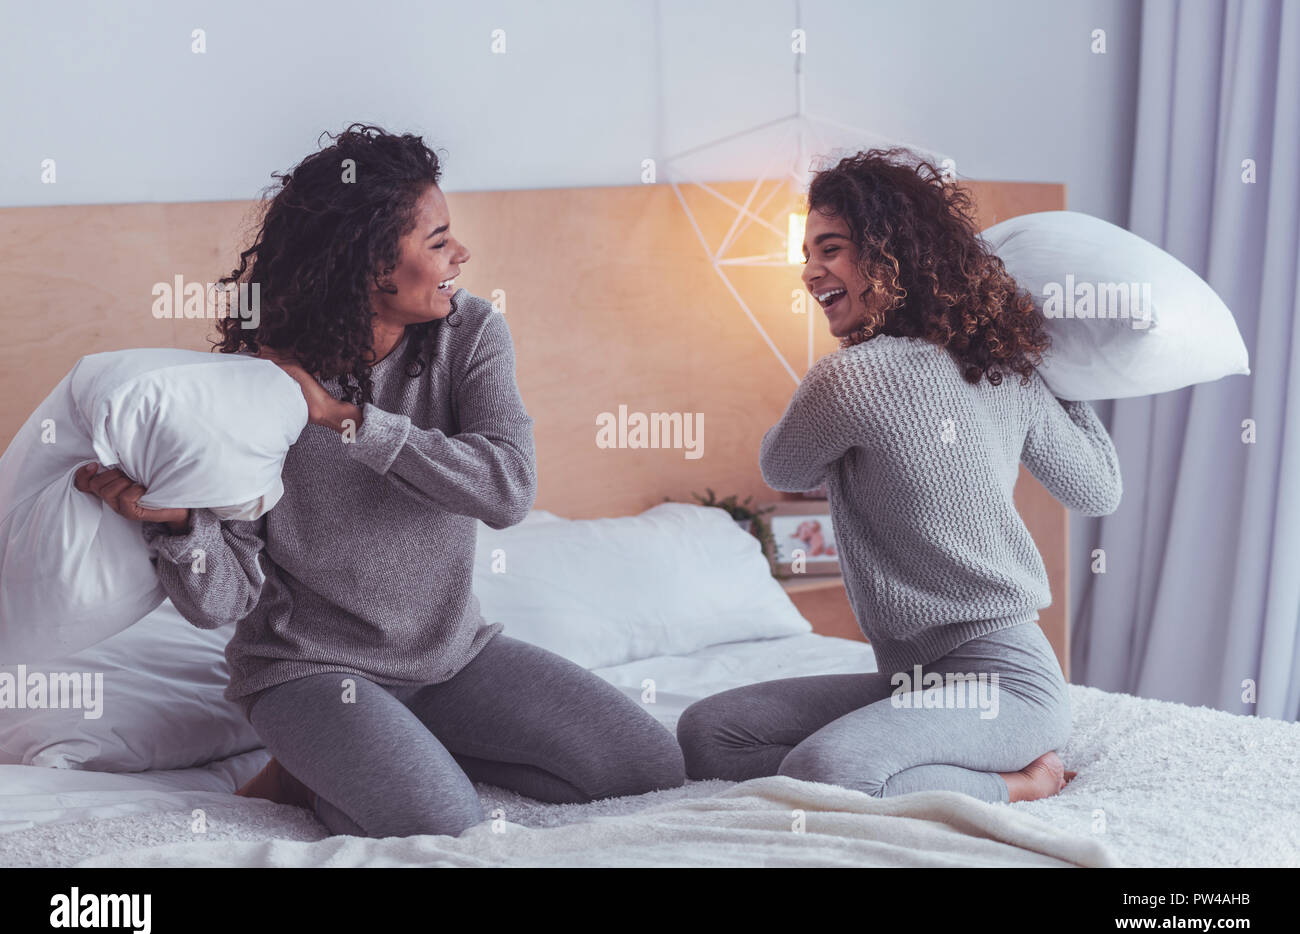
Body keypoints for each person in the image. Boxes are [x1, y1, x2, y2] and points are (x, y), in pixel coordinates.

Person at [75, 124, 684, 837]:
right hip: (308, 673)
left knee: (650, 767)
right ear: (369, 266)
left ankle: (359, 760)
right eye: (438, 241)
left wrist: (348, 421)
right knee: (442, 823)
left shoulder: (471, 333)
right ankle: (330, 762)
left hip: (453, 659)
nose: (461, 254)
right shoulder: (257, 385)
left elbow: (509, 488)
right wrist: (180, 526)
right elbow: (224, 601)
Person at [676, 148, 1122, 804]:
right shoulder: (1002, 368)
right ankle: (888, 759)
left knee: (825, 770)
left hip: (1009, 683)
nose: (810, 272)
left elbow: (784, 464)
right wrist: (1051, 367)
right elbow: (1101, 488)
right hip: (912, 679)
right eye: (807, 253)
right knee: (709, 731)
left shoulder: (853, 376)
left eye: (830, 248)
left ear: (890, 254)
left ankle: (1022, 780)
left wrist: (1049, 363)